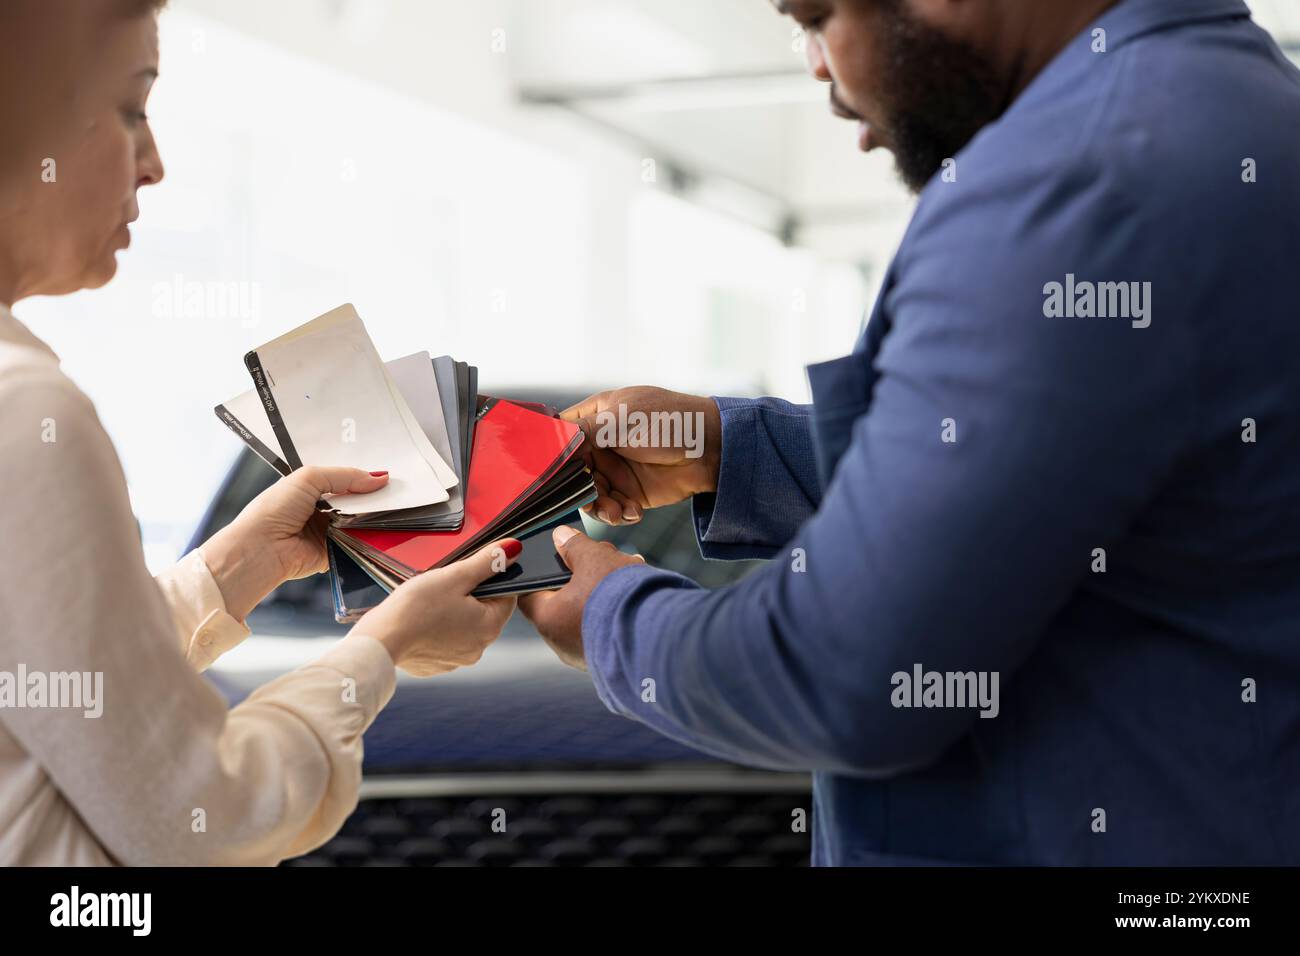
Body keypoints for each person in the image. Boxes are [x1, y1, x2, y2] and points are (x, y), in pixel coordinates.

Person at [520, 0, 1300, 865]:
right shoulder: (1231, 108)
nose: (818, 66)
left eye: (817, 17)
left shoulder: (1068, 178)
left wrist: (610, 619)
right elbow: (1035, 492)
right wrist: (725, 449)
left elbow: (848, 676)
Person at [0, 0, 520, 866]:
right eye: (131, 109)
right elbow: (203, 816)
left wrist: (244, 565)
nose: (155, 163)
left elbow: (55, 683)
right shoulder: (28, 413)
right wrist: (380, 649)